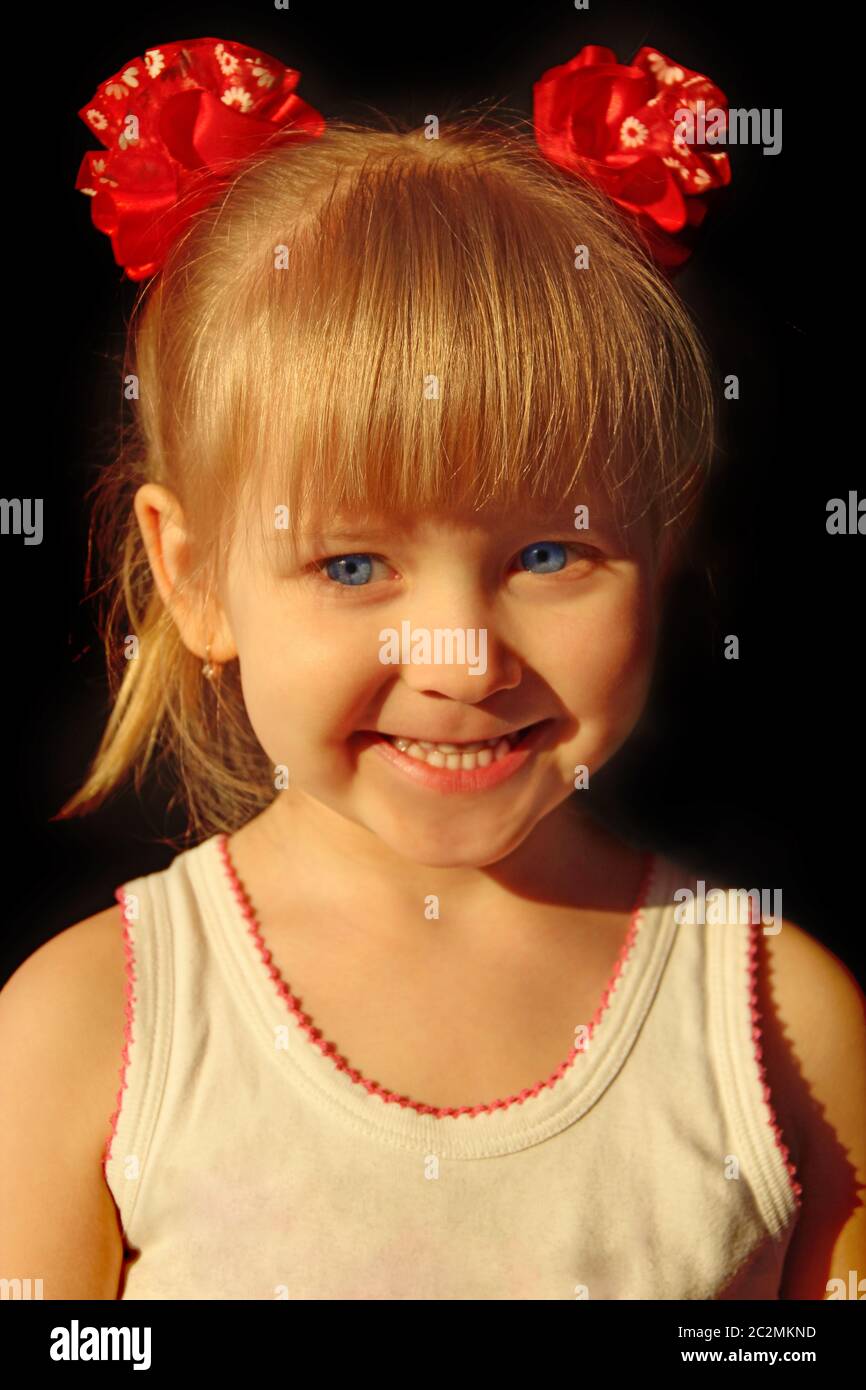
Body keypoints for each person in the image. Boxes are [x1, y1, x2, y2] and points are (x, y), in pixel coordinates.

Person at [1, 36, 863, 1301]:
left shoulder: (780, 1025)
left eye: (548, 553)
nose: (460, 660)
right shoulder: (88, 1031)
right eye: (352, 565)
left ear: (660, 553)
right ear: (191, 576)